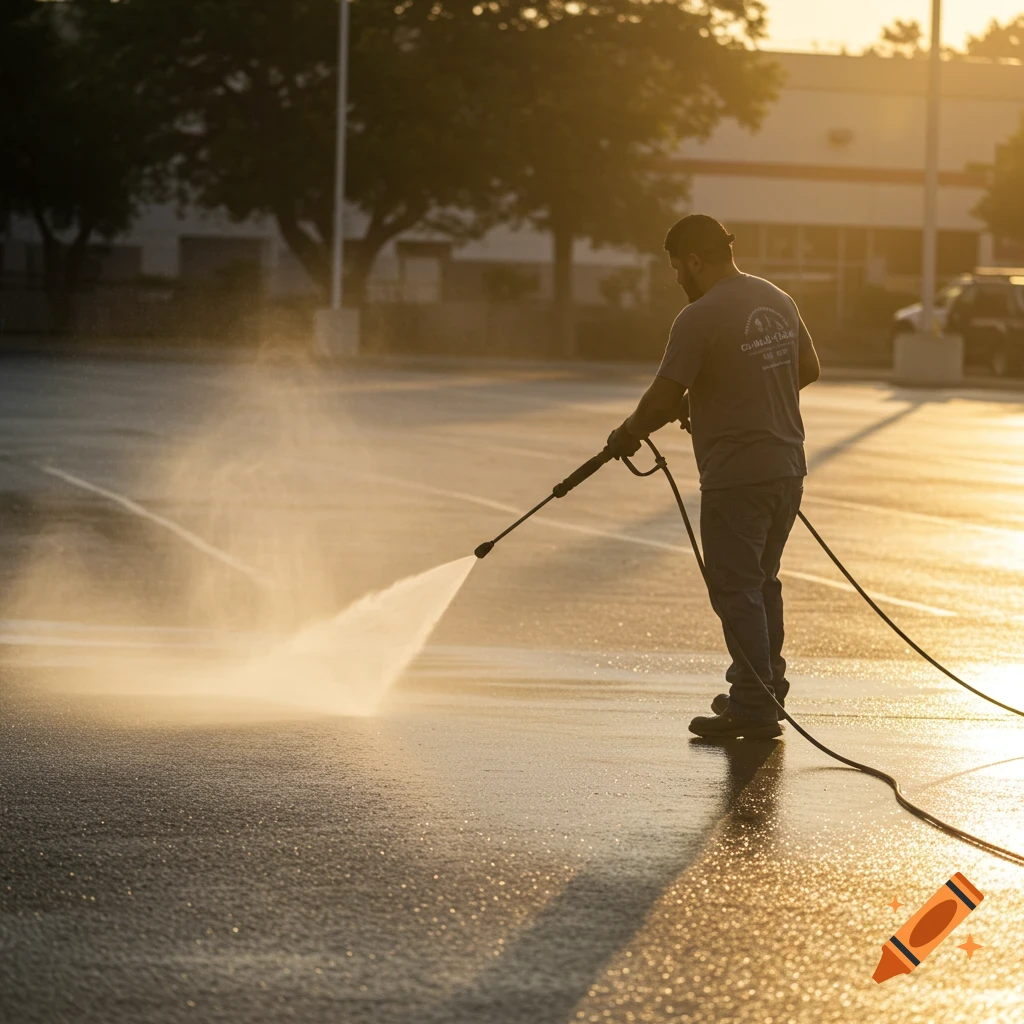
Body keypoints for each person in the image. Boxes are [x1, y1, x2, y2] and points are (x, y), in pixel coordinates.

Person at [605, 214, 820, 740]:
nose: (677, 277)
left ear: (695, 261)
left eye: (678, 267)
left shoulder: (699, 317)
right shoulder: (777, 298)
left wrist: (627, 433)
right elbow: (808, 368)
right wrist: (730, 396)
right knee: (761, 582)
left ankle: (754, 704)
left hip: (737, 477)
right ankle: (765, 688)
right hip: (787, 468)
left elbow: (661, 398)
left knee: (735, 587)